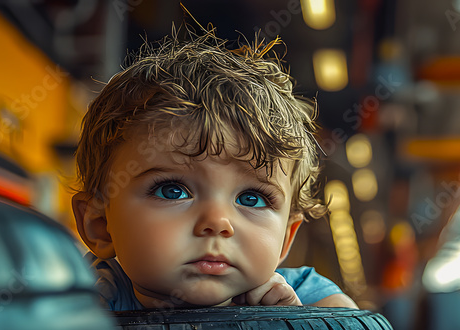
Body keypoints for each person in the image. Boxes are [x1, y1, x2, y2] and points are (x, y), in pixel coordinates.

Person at [70, 30, 357, 311]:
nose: (218, 222)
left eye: (251, 198)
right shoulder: (88, 297)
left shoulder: (301, 292)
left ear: (285, 239)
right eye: (173, 191)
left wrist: (294, 324)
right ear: (100, 224)